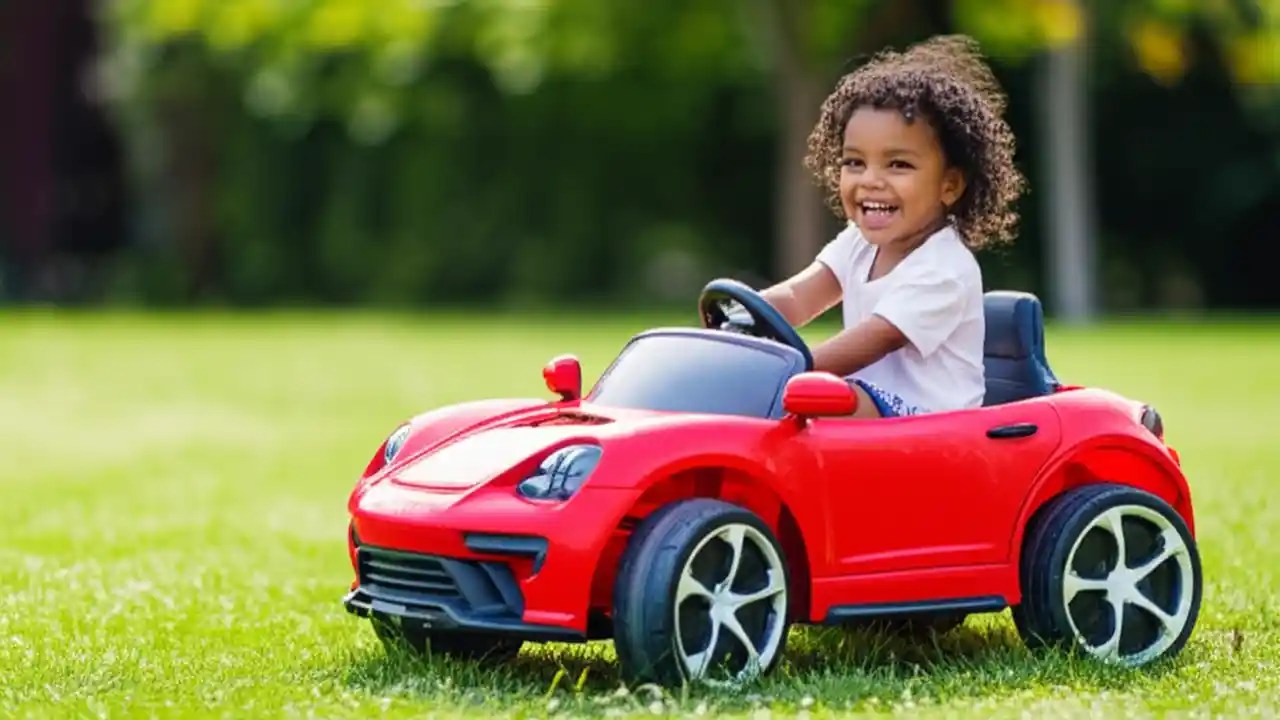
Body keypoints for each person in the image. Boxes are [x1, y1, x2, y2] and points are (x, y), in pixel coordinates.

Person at [760, 35, 1026, 418]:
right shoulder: (858, 242)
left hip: (928, 424)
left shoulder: (943, 268)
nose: (870, 180)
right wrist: (735, 324)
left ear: (949, 185)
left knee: (818, 405)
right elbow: (796, 299)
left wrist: (779, 376)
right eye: (854, 162)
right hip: (871, 408)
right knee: (812, 402)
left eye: (898, 165)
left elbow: (875, 340)